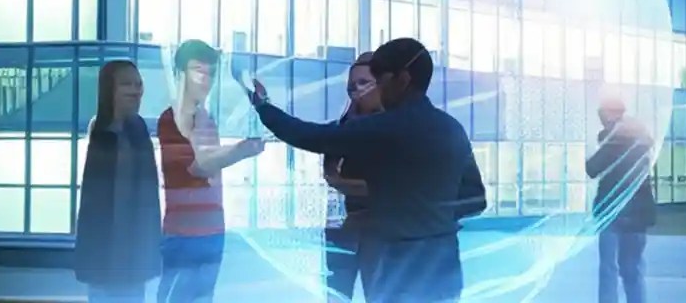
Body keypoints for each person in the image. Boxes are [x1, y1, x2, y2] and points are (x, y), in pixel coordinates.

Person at [247, 37, 486, 303]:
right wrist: (432, 219)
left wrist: (263, 106)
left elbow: (307, 135)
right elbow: (475, 199)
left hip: (396, 270)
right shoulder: (452, 129)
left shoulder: (384, 128)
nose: (379, 90)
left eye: (381, 80)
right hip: (444, 268)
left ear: (402, 79)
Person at [157, 40, 264, 303]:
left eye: (211, 73)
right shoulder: (171, 119)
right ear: (180, 73)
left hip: (212, 231)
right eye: (198, 71)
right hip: (184, 234)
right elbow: (198, 166)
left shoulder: (206, 119)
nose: (206, 80)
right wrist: (240, 150)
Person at [74, 60, 162, 303]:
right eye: (127, 84)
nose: (136, 90)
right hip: (105, 257)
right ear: (109, 89)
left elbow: (147, 198)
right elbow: (93, 203)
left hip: (133, 256)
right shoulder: (100, 132)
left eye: (138, 84)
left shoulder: (138, 129)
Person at [585, 93, 656, 303]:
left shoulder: (615, 141)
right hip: (638, 213)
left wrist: (594, 145)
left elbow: (592, 168)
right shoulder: (641, 142)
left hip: (613, 212)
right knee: (632, 269)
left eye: (602, 113)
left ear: (610, 115)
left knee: (609, 269)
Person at [322, 52, 382, 301]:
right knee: (337, 294)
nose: (356, 91)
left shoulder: (400, 129)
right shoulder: (344, 128)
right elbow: (330, 175)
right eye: (351, 86)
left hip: (384, 233)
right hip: (345, 228)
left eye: (363, 83)